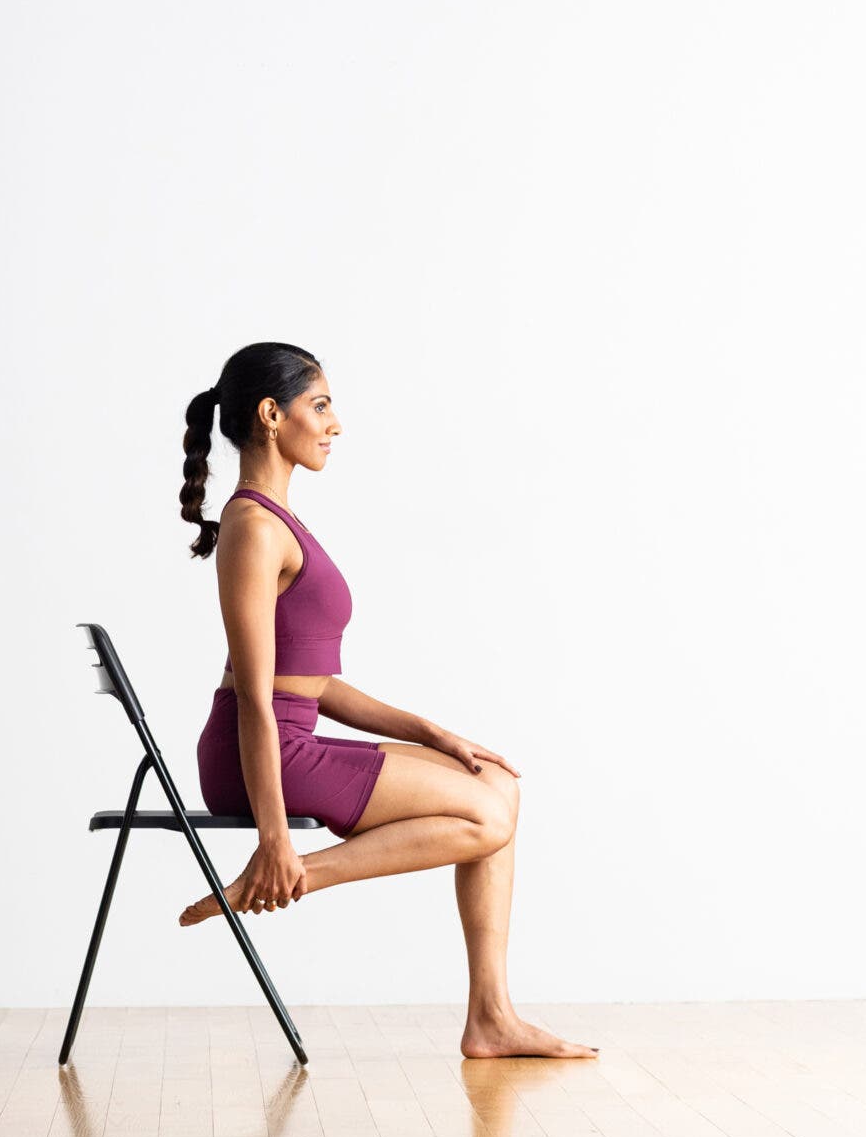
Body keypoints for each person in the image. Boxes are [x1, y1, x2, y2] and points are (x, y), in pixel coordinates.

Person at [174, 341, 599, 1061]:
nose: (335, 424)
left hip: (284, 739)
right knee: (486, 814)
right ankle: (289, 876)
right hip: (263, 754)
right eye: (321, 405)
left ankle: (491, 1018)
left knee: (494, 784)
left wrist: (432, 732)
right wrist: (276, 839)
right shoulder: (252, 529)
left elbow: (311, 682)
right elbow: (253, 695)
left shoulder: (276, 520)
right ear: (272, 416)